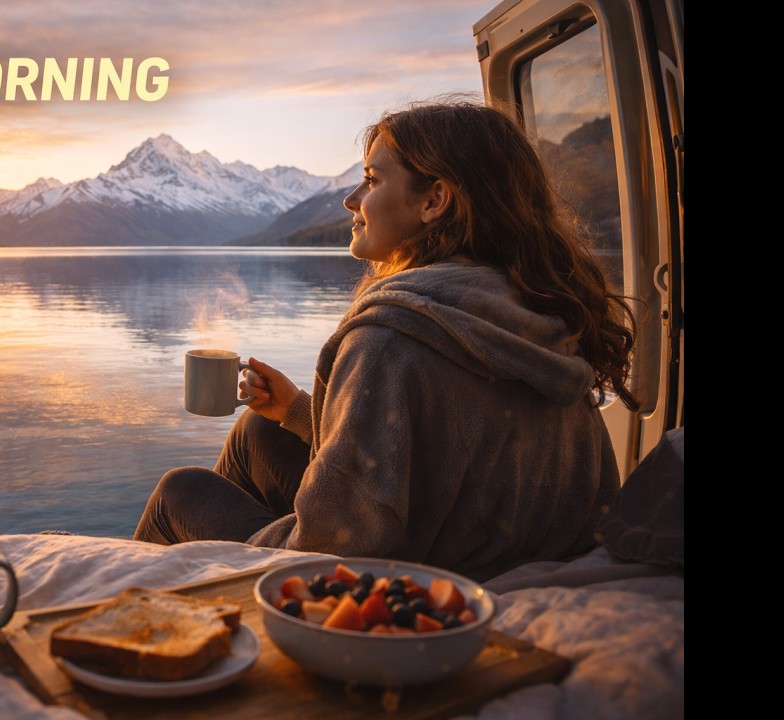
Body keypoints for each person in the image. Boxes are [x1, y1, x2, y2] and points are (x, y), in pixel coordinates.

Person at [132, 98, 638, 582]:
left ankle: (138, 608)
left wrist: (272, 544)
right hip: (496, 545)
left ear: (435, 200)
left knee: (182, 490)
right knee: (260, 432)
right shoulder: (536, 305)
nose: (351, 201)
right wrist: (295, 410)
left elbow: (335, 546)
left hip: (420, 575)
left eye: (371, 181)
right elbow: (442, 454)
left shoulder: (389, 338)